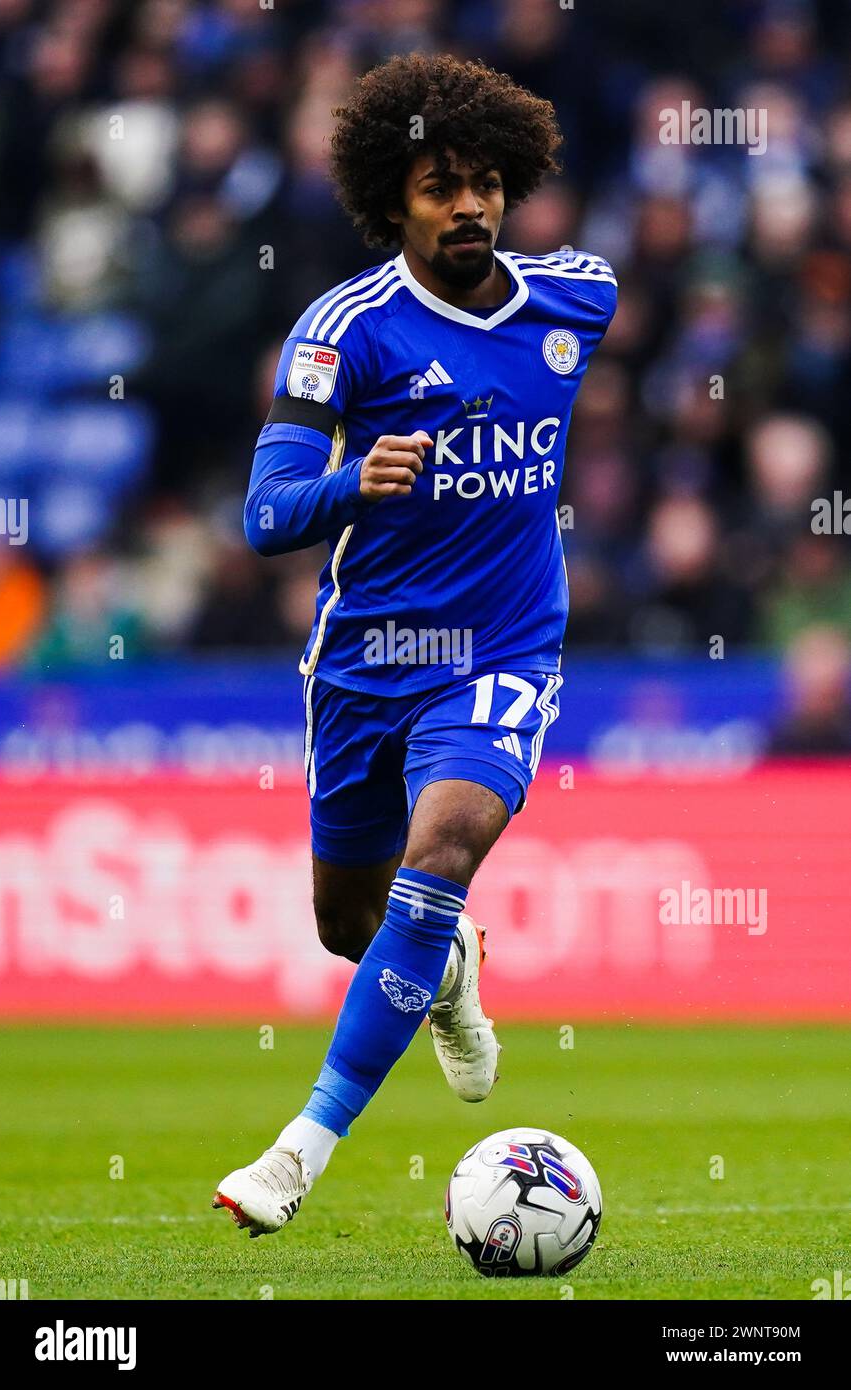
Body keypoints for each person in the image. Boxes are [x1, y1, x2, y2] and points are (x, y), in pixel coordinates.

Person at [213, 54, 616, 1236]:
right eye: (442, 185)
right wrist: (352, 481)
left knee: (441, 850)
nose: (470, 206)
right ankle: (443, 966)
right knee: (351, 922)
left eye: (487, 183)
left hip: (501, 651)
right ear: (393, 198)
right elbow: (265, 513)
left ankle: (298, 1150)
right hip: (364, 662)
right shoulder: (345, 330)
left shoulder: (573, 298)